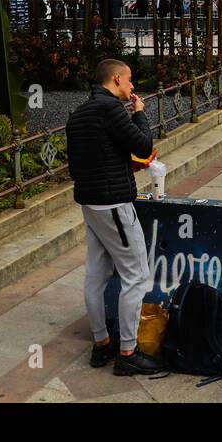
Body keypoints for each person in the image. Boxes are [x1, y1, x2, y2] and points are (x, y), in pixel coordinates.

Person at [65, 59, 161, 376]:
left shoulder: (78, 116)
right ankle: (128, 352)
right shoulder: (112, 110)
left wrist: (124, 168)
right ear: (117, 79)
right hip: (114, 205)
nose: (133, 86)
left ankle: (101, 343)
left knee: (95, 275)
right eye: (130, 80)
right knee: (136, 276)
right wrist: (140, 113)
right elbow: (144, 144)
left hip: (90, 204)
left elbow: (89, 161)